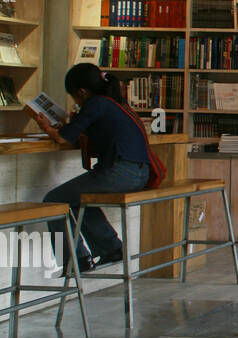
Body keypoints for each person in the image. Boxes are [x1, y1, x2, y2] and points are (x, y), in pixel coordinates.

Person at [28, 64, 151, 273]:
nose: (75, 102)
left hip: (120, 172)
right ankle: (111, 248)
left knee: (53, 200)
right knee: (80, 198)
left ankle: (74, 261)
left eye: (74, 97)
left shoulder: (95, 103)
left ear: (82, 92)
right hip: (140, 173)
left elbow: (62, 137)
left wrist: (46, 127)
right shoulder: (115, 103)